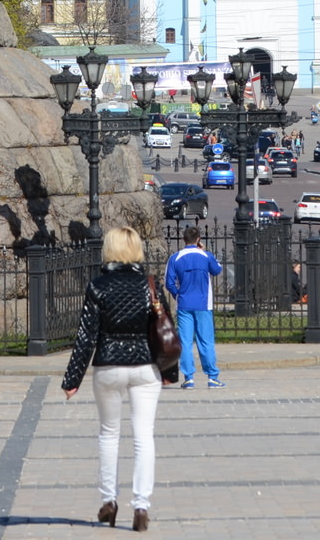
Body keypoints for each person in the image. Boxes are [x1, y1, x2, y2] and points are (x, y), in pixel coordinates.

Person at [61, 226, 164, 532]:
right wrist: (170, 373)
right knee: (144, 435)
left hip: (107, 365)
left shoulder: (98, 286)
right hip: (145, 366)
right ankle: (142, 506)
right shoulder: (150, 285)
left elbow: (86, 336)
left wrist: (72, 379)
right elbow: (163, 331)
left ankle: (109, 501)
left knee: (109, 434)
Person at [164, 225, 223, 390]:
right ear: (198, 240)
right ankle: (212, 377)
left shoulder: (175, 258)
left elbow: (168, 282)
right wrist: (204, 250)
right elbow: (217, 269)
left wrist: (178, 295)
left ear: (184, 239)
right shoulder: (205, 255)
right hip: (204, 304)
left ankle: (188, 377)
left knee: (185, 342)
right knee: (206, 341)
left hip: (184, 304)